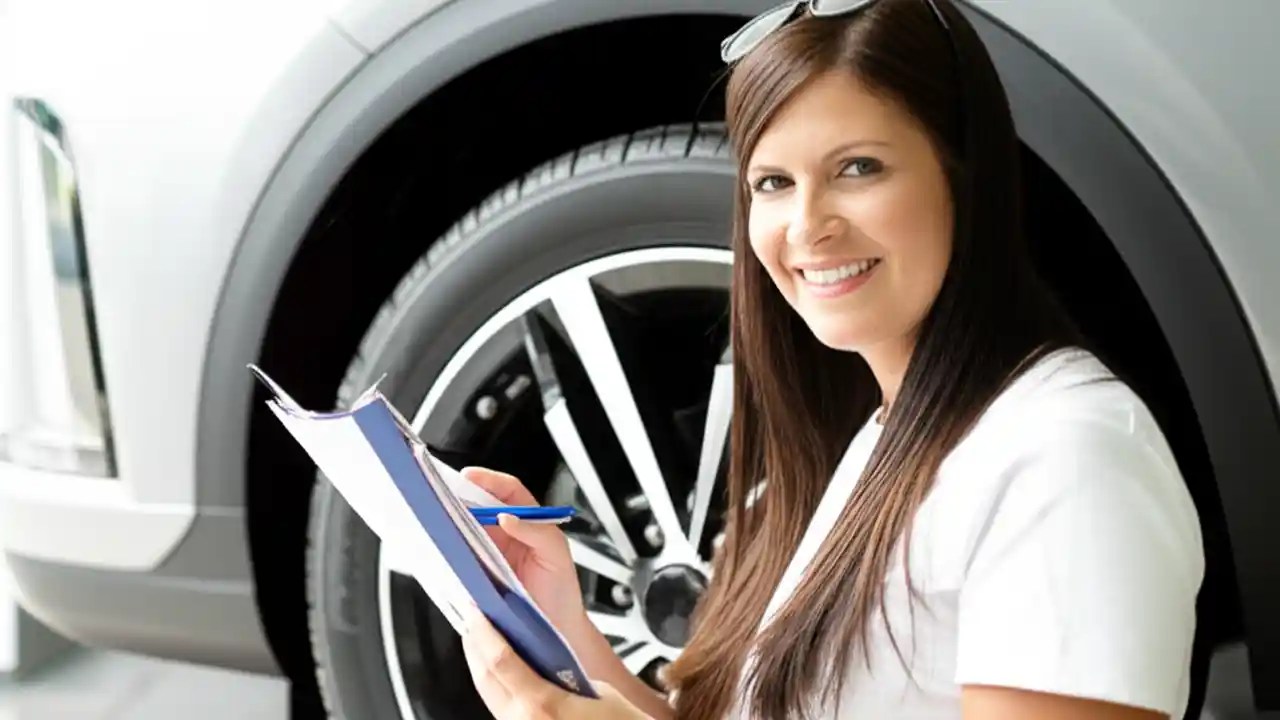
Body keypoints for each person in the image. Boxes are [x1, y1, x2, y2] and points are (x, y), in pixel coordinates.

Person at [456, 0, 1206, 717]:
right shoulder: (870, 443)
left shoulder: (1065, 458)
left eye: (858, 169)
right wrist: (560, 622)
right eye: (773, 184)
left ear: (964, 177)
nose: (807, 226)